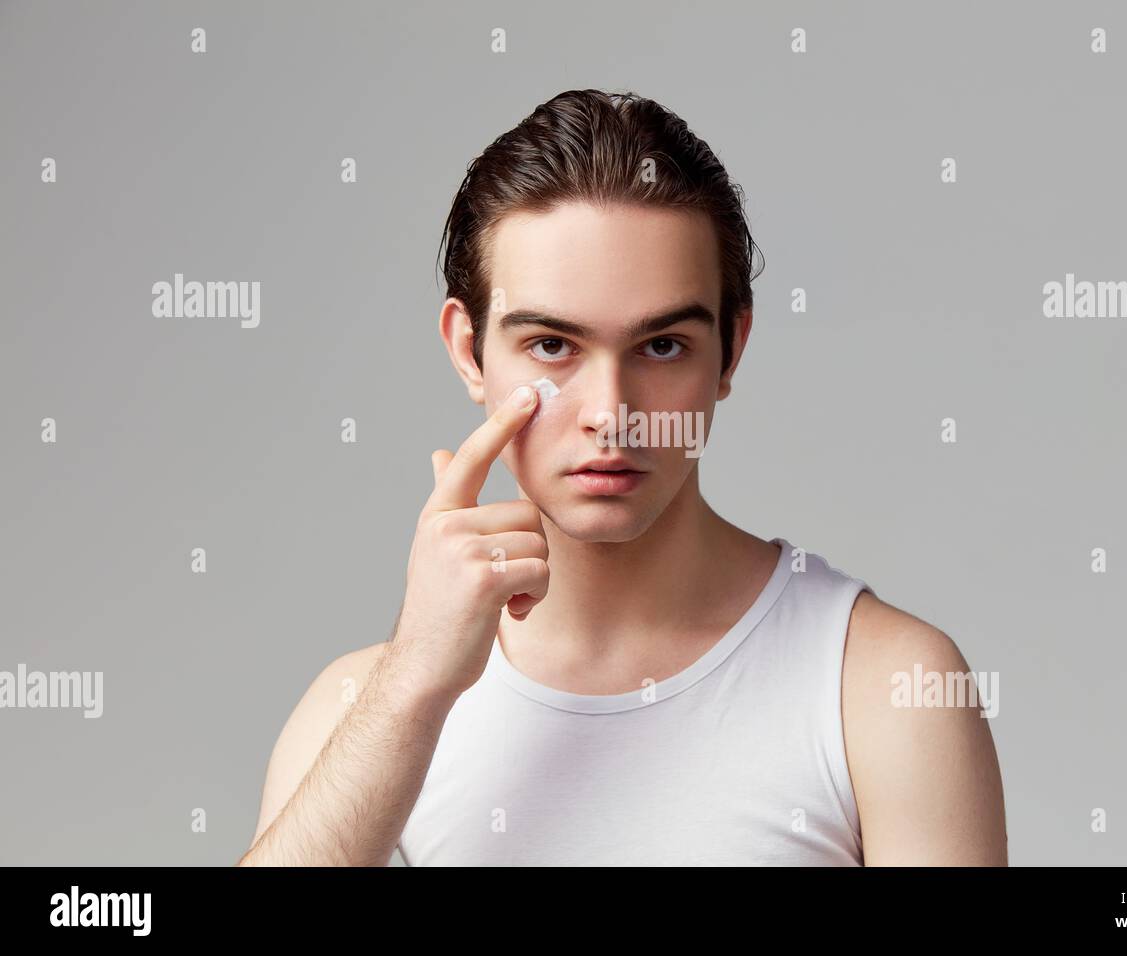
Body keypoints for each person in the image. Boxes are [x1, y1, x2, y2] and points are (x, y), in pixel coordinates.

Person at [238, 89, 1007, 866]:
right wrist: (411, 687)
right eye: (550, 346)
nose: (611, 414)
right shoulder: (364, 704)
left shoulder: (880, 687)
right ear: (469, 353)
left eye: (663, 346)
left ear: (730, 351)